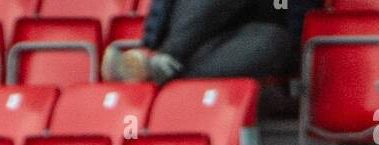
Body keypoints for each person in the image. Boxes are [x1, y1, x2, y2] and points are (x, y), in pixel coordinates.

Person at [102, 0, 320, 85]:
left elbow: (297, 19)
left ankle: (159, 70)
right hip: (191, 34)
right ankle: (165, 60)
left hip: (252, 34)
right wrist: (153, 43)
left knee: (274, 42)